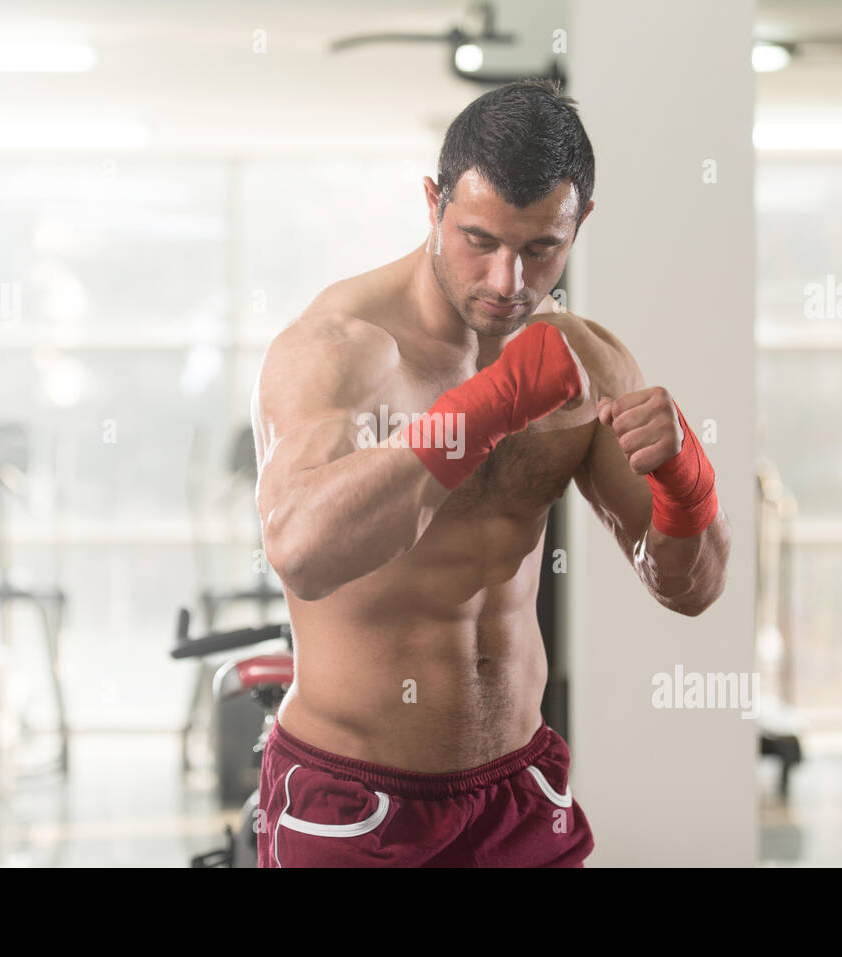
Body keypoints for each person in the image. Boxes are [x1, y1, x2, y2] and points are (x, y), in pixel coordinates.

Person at [250, 78, 731, 867]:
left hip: (517, 792)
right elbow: (301, 550)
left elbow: (689, 588)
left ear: (580, 224)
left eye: (541, 247)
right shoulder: (341, 348)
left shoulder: (589, 361)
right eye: (480, 239)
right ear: (434, 202)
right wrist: (486, 408)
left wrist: (687, 486)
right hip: (354, 801)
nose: (509, 281)